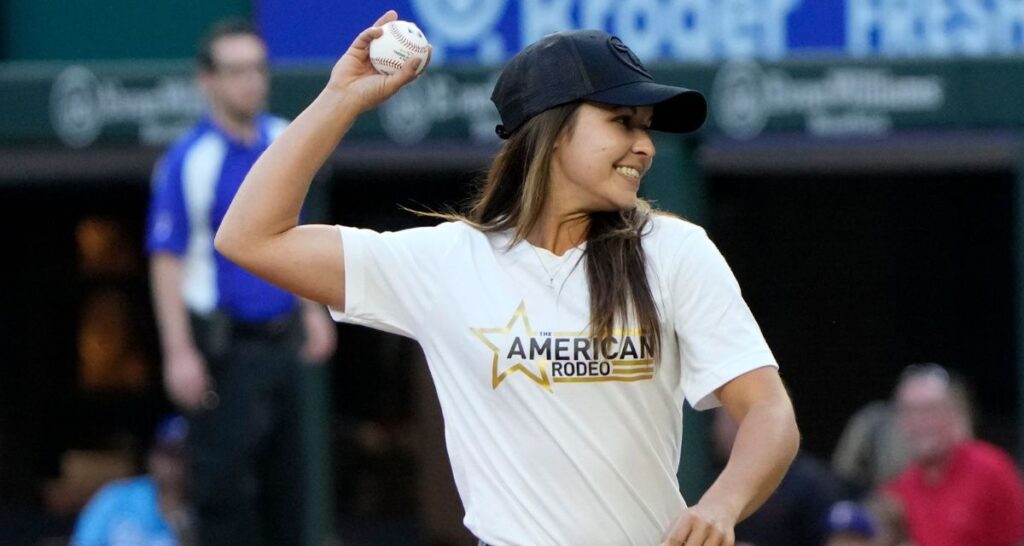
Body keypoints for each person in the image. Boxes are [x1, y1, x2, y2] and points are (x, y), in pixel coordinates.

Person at [214, 10, 800, 546]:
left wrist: (721, 505)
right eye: (621, 121)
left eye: (646, 126)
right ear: (549, 130)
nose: (643, 145)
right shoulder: (446, 261)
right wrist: (340, 98)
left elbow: (769, 412)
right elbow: (249, 237)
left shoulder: (673, 251)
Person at [146, 18, 337, 546]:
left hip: (283, 342)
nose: (250, 81)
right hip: (223, 353)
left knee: (292, 493)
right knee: (223, 496)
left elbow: (298, 232)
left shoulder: (282, 138)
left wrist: (312, 309)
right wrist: (178, 351)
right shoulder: (190, 159)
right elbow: (167, 258)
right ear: (207, 81)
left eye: (257, 68)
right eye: (235, 71)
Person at [883, 363, 1024, 546]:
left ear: (954, 413)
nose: (918, 422)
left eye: (928, 410)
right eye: (909, 411)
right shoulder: (898, 487)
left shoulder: (990, 468)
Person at [710, 409, 844, 546]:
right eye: (720, 421)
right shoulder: (718, 478)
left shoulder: (810, 482)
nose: (718, 429)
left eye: (731, 420)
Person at [70, 416, 193, 546]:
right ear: (152, 456)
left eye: (182, 457)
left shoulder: (205, 508)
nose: (173, 466)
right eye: (166, 454)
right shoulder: (116, 498)